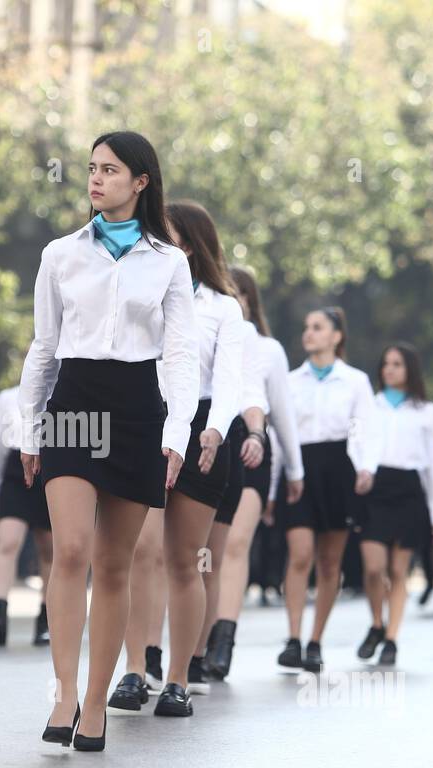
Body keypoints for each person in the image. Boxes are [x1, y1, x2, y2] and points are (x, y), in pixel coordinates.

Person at [20, 130, 198, 751]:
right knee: (70, 549)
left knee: (114, 565)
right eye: (91, 169)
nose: (96, 180)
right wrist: (28, 428)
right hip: (73, 402)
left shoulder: (170, 262)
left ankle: (97, 701)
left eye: (110, 170)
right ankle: (64, 692)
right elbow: (43, 346)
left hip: (136, 413)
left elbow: (179, 356)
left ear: (141, 181)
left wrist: (177, 434)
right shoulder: (59, 254)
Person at [109, 199, 241, 717]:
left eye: (170, 235)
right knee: (141, 553)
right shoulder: (142, 293)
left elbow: (229, 381)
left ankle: (180, 679)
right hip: (147, 422)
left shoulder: (224, 308)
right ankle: (135, 670)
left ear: (193, 243)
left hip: (203, 429)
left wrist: (213, 430)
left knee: (185, 561)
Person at [203, 265, 303, 680]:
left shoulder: (267, 349)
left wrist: (294, 471)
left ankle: (224, 640)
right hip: (207, 438)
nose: (232, 299)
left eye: (238, 293)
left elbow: (281, 413)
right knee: (202, 555)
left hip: (251, 446)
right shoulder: (200, 331)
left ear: (250, 300)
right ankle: (198, 640)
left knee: (235, 545)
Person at [276, 307, 376, 673]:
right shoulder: (290, 380)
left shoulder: (355, 381)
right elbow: (279, 431)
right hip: (299, 468)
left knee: (330, 561)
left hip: (338, 468)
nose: (309, 334)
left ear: (336, 336)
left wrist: (366, 466)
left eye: (318, 328)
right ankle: (292, 638)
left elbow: (364, 428)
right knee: (300, 554)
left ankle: (316, 640)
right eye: (307, 327)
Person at [355, 344, 433, 666]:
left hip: (409, 490)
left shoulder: (428, 412)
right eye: (386, 364)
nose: (390, 369)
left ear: (410, 369)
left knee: (398, 569)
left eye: (397, 364)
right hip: (376, 487)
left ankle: (391, 637)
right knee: (373, 567)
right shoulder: (370, 405)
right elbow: (356, 441)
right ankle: (376, 624)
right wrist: (362, 469)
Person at [0, 386, 53, 647]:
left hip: (52, 463)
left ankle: (45, 618)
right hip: (15, 467)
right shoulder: (7, 396)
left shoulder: (65, 391)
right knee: (8, 541)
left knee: (49, 549)